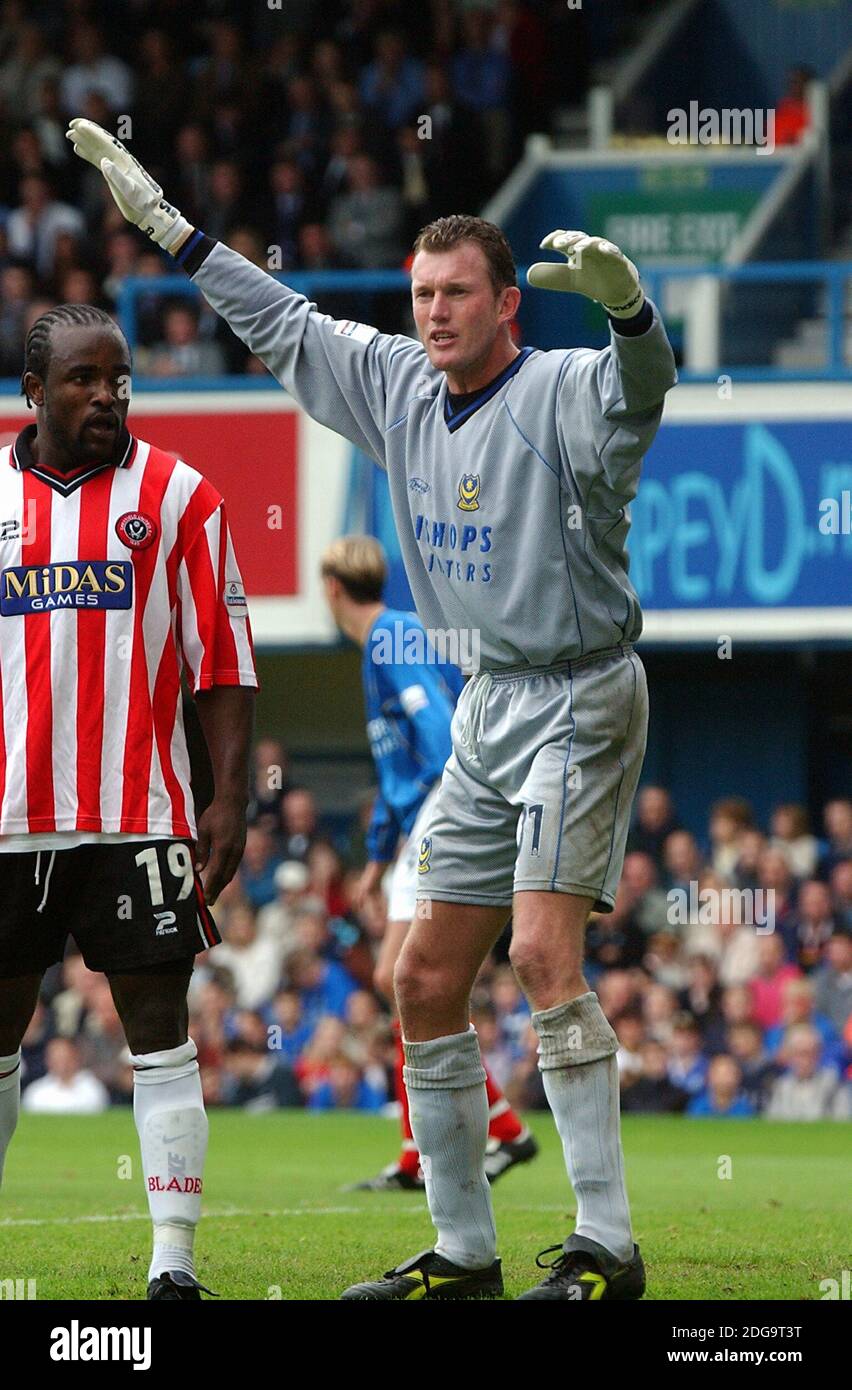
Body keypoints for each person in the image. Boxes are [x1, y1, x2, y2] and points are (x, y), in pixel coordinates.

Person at [67, 118, 677, 1302]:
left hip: (580, 693)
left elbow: (639, 396)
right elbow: (285, 321)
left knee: (546, 950)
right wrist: (173, 231)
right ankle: (463, 1252)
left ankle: (609, 1243)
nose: (434, 311)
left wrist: (632, 313)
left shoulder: (562, 391)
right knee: (420, 979)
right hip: (490, 706)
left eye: (457, 292)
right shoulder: (397, 384)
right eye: (421, 292)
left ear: (508, 305)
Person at [0, 300, 257, 1301]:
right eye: (83, 380)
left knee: (159, 1023)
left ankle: (174, 1261)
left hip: (140, 810)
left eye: (118, 379)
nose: (107, 396)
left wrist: (226, 799)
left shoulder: (180, 494)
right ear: (34, 389)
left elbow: (223, 662)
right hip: (11, 817)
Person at [320, 533, 537, 1190]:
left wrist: (414, 824)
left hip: (441, 811)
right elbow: (398, 761)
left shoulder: (390, 637)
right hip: (420, 819)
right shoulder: (393, 637)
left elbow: (438, 739)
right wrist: (379, 853)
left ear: (332, 589)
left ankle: (502, 1128)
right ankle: (421, 1153)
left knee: (407, 979)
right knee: (404, 984)